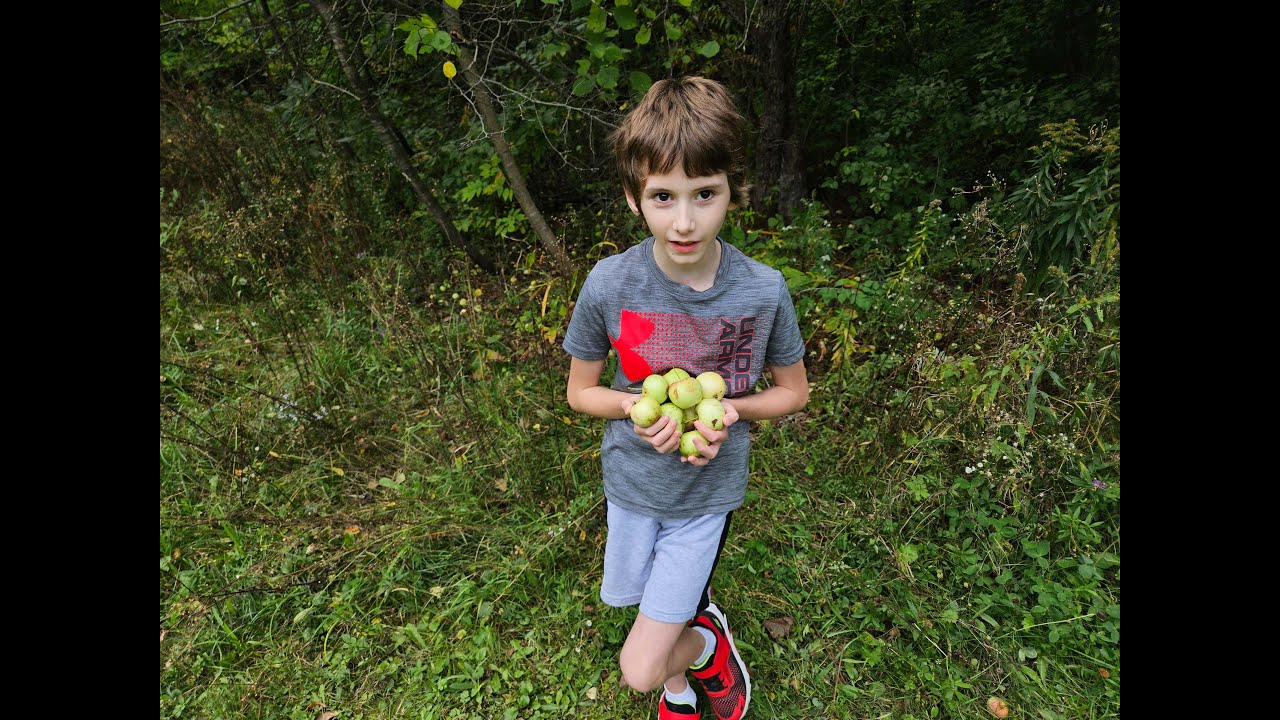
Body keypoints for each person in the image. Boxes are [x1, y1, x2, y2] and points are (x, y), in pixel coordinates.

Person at [563, 76, 809, 720]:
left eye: (705, 194)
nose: (684, 220)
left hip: (705, 497)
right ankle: (684, 684)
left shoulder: (762, 290)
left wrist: (733, 408)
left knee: (638, 667)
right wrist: (629, 412)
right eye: (663, 197)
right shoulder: (610, 283)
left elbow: (792, 392)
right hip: (632, 483)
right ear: (632, 198)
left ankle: (702, 647)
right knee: (634, 599)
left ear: (734, 189)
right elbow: (581, 391)